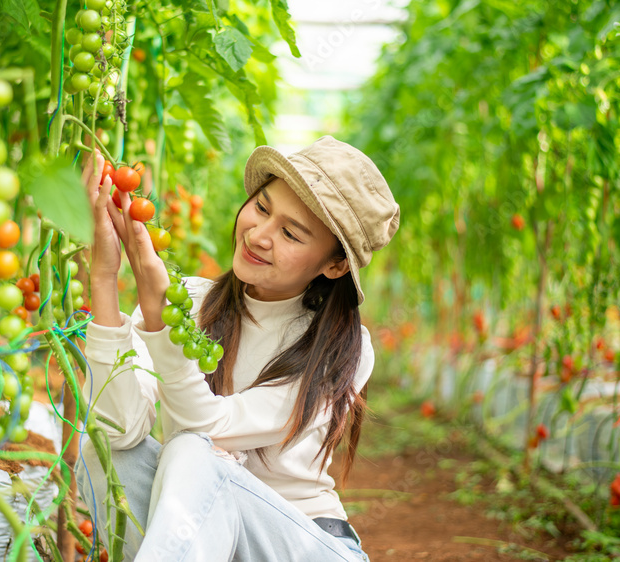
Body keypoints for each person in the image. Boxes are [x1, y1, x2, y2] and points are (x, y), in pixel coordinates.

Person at [76, 136, 400, 561]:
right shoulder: (187, 300)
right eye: (262, 208)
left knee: (194, 449)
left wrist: (157, 318)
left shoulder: (345, 347)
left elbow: (206, 426)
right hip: (204, 544)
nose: (260, 235)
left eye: (290, 233)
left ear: (334, 265)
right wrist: (103, 278)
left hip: (303, 545)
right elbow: (119, 430)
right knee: (101, 452)